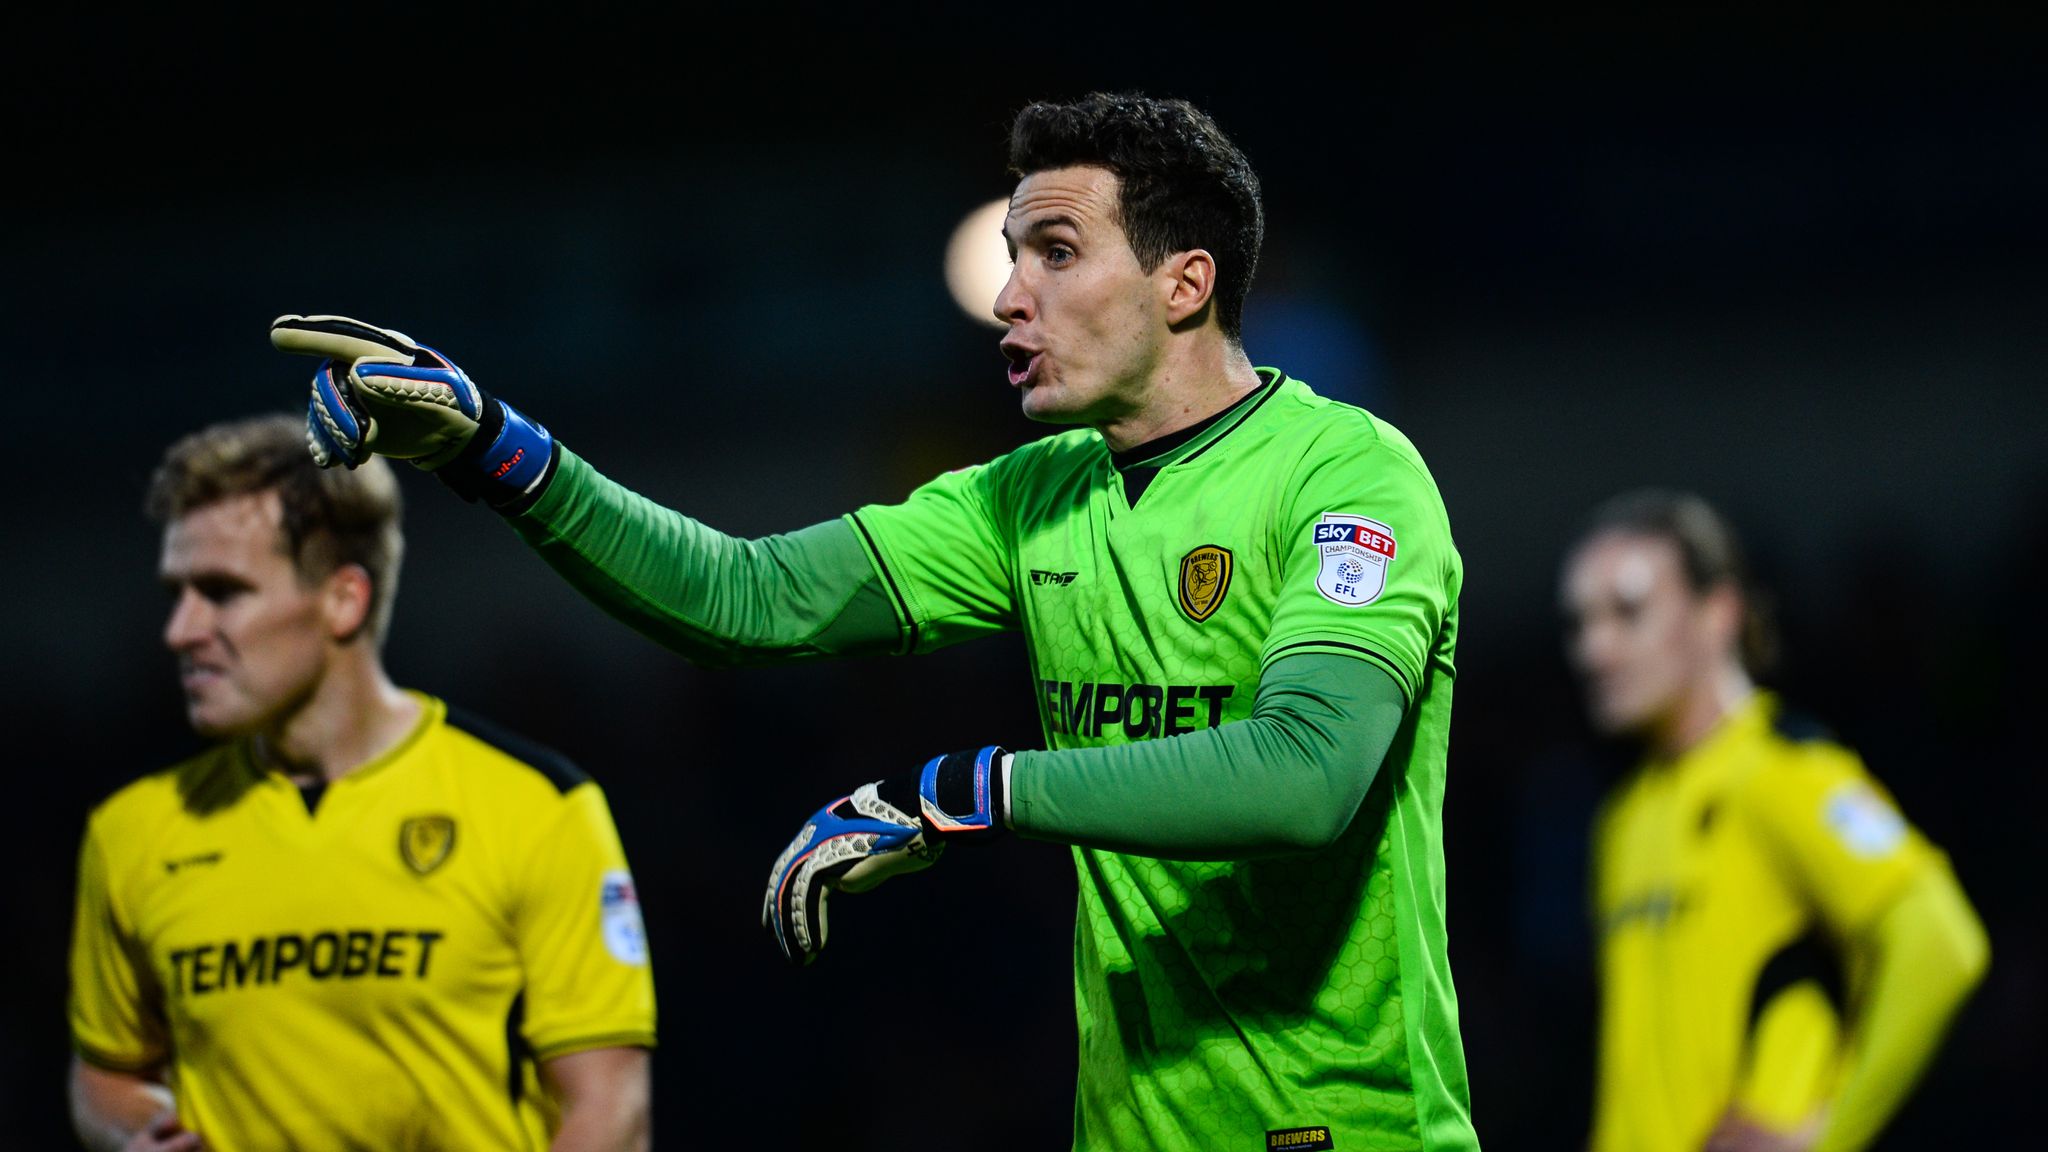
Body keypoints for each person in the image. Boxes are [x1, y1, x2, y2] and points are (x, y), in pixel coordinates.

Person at [271, 90, 1478, 1150]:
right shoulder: (1028, 496)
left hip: (1344, 1131)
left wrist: (971, 788)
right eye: (1010, 257)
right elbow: (745, 596)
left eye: (1055, 253)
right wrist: (495, 449)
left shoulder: (1344, 473)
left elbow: (1305, 773)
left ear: (1184, 283)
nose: (1007, 297)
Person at [67, 413, 657, 1151]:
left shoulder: (538, 805)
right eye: (176, 592)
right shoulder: (133, 831)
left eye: (222, 591)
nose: (180, 629)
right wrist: (135, 1129)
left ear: (344, 599)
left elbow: (610, 1111)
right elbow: (105, 1072)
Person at [1560, 489, 1990, 1152]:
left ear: (1718, 613)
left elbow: (1942, 943)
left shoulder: (1782, 773)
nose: (1595, 649)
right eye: (1580, 623)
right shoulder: (1623, 820)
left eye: (1629, 612)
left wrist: (1829, 1135)